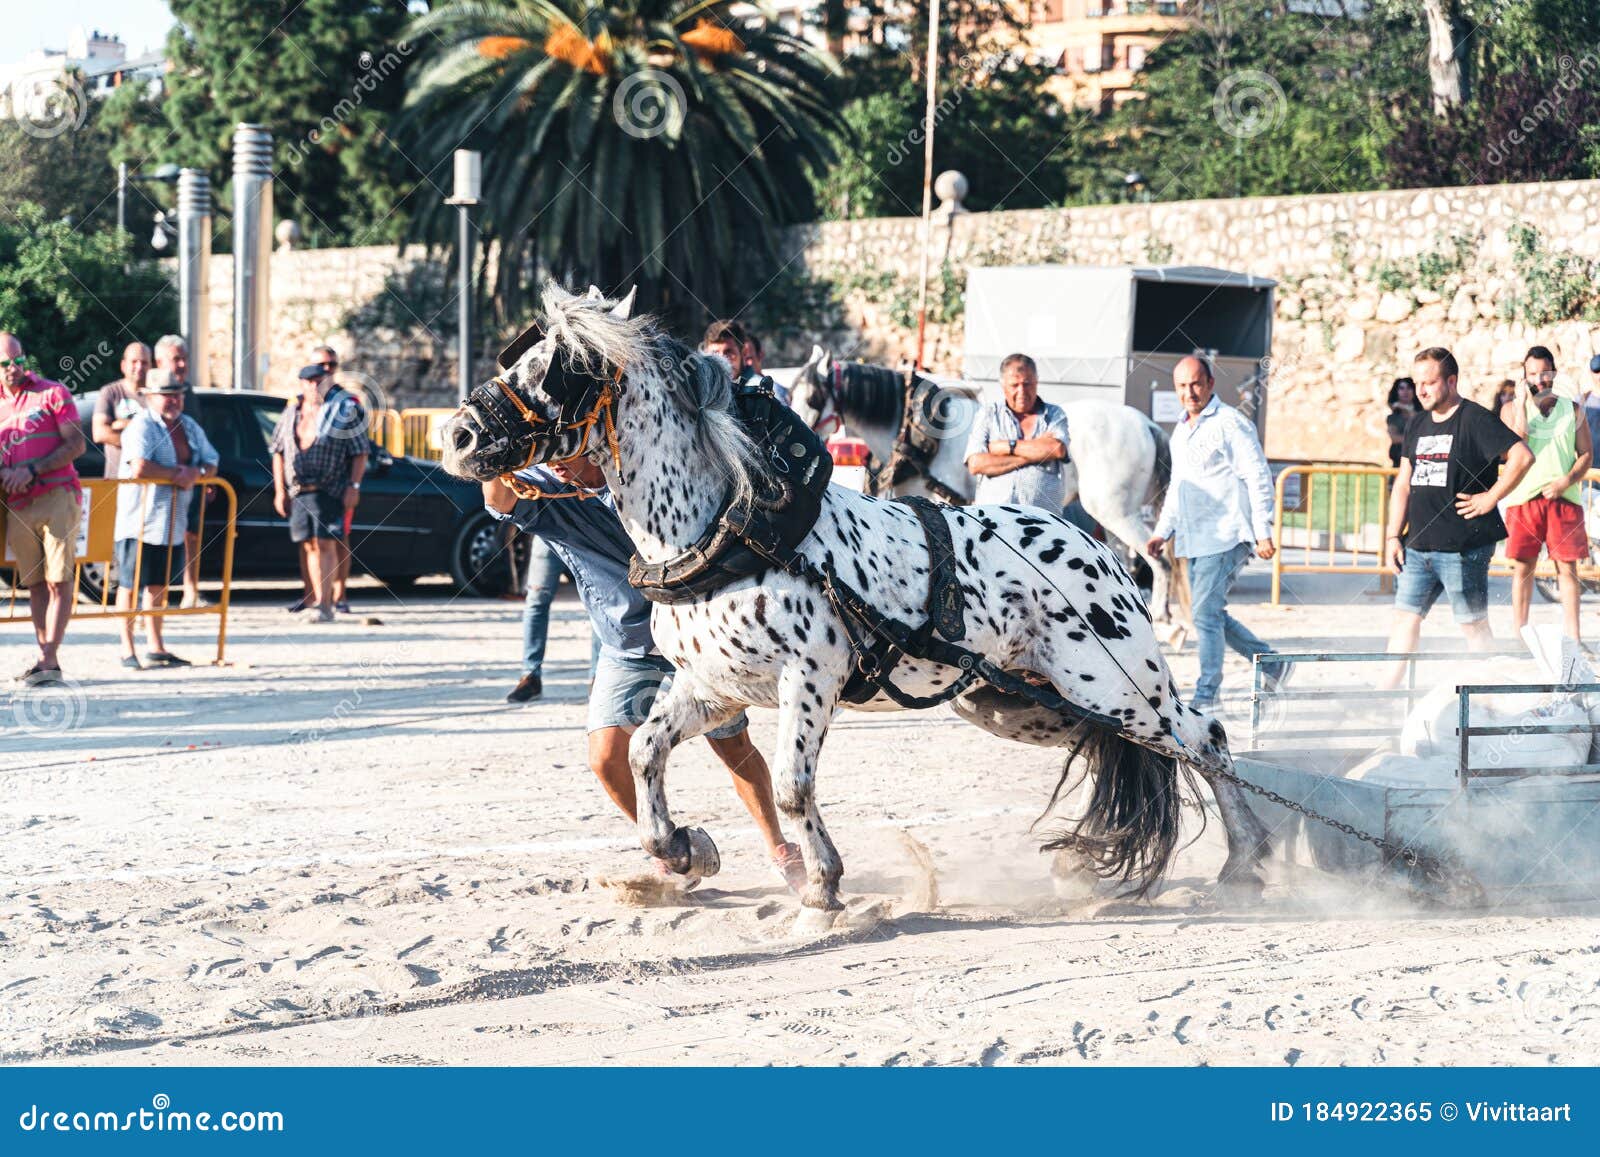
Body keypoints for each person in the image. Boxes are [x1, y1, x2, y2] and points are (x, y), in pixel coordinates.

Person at [483, 458, 806, 892]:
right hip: (629, 644)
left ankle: (779, 847)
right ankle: (669, 848)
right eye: (548, 456)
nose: (557, 464)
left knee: (733, 745)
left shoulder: (645, 466)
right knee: (605, 758)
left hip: (694, 635)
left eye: (565, 451)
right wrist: (490, 451)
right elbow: (498, 498)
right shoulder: (546, 493)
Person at [1381, 347, 1534, 685]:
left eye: (1430, 382)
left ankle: (1491, 694)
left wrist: (1490, 498)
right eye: (1418, 382)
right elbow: (1404, 483)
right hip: (1418, 545)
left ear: (1451, 381)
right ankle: (1385, 693)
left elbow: (1522, 456)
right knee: (1404, 620)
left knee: (1473, 625)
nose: (1421, 390)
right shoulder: (1417, 423)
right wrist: (1393, 535)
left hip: (1464, 547)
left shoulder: (1475, 419)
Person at [1146, 355, 1282, 708]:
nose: (1189, 392)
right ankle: (1274, 664)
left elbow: (1257, 475)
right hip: (1195, 539)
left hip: (1227, 534)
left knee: (1205, 614)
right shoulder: (1181, 430)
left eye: (1195, 384)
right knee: (1210, 613)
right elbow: (1179, 485)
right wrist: (1162, 531)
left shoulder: (1230, 423)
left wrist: (1263, 530)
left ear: (1210, 384)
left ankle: (1207, 694)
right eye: (1181, 386)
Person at [113, 369, 219, 668]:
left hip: (172, 519)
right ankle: (127, 647)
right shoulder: (140, 426)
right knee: (129, 584)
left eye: (178, 394)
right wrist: (177, 474)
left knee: (158, 585)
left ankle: (156, 646)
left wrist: (196, 474)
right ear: (150, 397)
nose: (174, 400)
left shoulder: (189, 425)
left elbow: (212, 460)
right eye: (167, 395)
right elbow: (138, 466)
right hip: (139, 520)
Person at [0, 332, 86, 684]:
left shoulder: (52, 393)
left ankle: (50, 658)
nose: (13, 368)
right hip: (17, 502)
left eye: (18, 360)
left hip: (57, 494)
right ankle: (44, 657)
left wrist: (32, 469)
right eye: (5, 363)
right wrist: (6, 473)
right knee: (34, 582)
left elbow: (77, 443)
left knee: (58, 579)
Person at [1500, 346, 1592, 642]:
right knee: (1523, 568)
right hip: (1524, 497)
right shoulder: (1511, 410)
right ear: (1524, 376)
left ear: (1554, 372)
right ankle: (1519, 635)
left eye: (1545, 372)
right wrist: (1522, 402)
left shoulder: (1573, 410)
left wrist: (1566, 481)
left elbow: (1586, 455)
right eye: (1532, 374)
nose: (1540, 379)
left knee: (1567, 568)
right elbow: (1517, 444)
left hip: (1564, 498)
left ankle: (1574, 637)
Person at [271, 363, 368, 623]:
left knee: (326, 543)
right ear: (301, 384)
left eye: (319, 381)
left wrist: (354, 486)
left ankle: (326, 604)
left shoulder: (343, 411)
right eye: (310, 381)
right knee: (309, 545)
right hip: (300, 489)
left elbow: (360, 451)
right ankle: (317, 599)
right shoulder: (292, 411)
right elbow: (278, 451)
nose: (315, 386)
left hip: (331, 488)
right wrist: (279, 490)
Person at [962, 352, 1070, 510]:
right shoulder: (988, 414)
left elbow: (1057, 449)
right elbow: (976, 464)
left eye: (1027, 384)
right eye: (1014, 385)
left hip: (1044, 523)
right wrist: (1035, 454)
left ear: (1036, 381)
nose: (1022, 392)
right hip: (993, 520)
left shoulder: (1054, 414)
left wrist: (1007, 447)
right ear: (1003, 385)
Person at [153, 335, 209, 609]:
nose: (182, 364)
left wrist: (203, 473)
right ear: (159, 362)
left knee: (191, 533)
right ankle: (147, 603)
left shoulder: (189, 393)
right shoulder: (150, 394)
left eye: (184, 357)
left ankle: (190, 590)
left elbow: (197, 435)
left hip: (189, 477)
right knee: (151, 538)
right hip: (155, 482)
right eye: (176, 358)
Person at [91, 342, 150, 479]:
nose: (139, 367)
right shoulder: (110, 392)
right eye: (134, 361)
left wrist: (121, 424)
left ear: (151, 366)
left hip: (150, 483)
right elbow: (100, 433)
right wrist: (142, 444)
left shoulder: (156, 395)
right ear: (123, 365)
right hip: (116, 481)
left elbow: (163, 432)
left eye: (144, 362)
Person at [702, 320, 788, 405]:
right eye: (715, 353)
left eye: (729, 352)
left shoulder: (763, 391)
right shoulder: (700, 393)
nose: (722, 359)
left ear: (743, 353)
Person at [1385, 376, 1416, 468]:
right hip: (1398, 464)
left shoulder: (1424, 413)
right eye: (1401, 388)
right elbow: (1394, 438)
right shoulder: (1393, 418)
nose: (1405, 392)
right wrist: (1415, 439)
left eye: (1409, 388)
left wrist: (1409, 410)